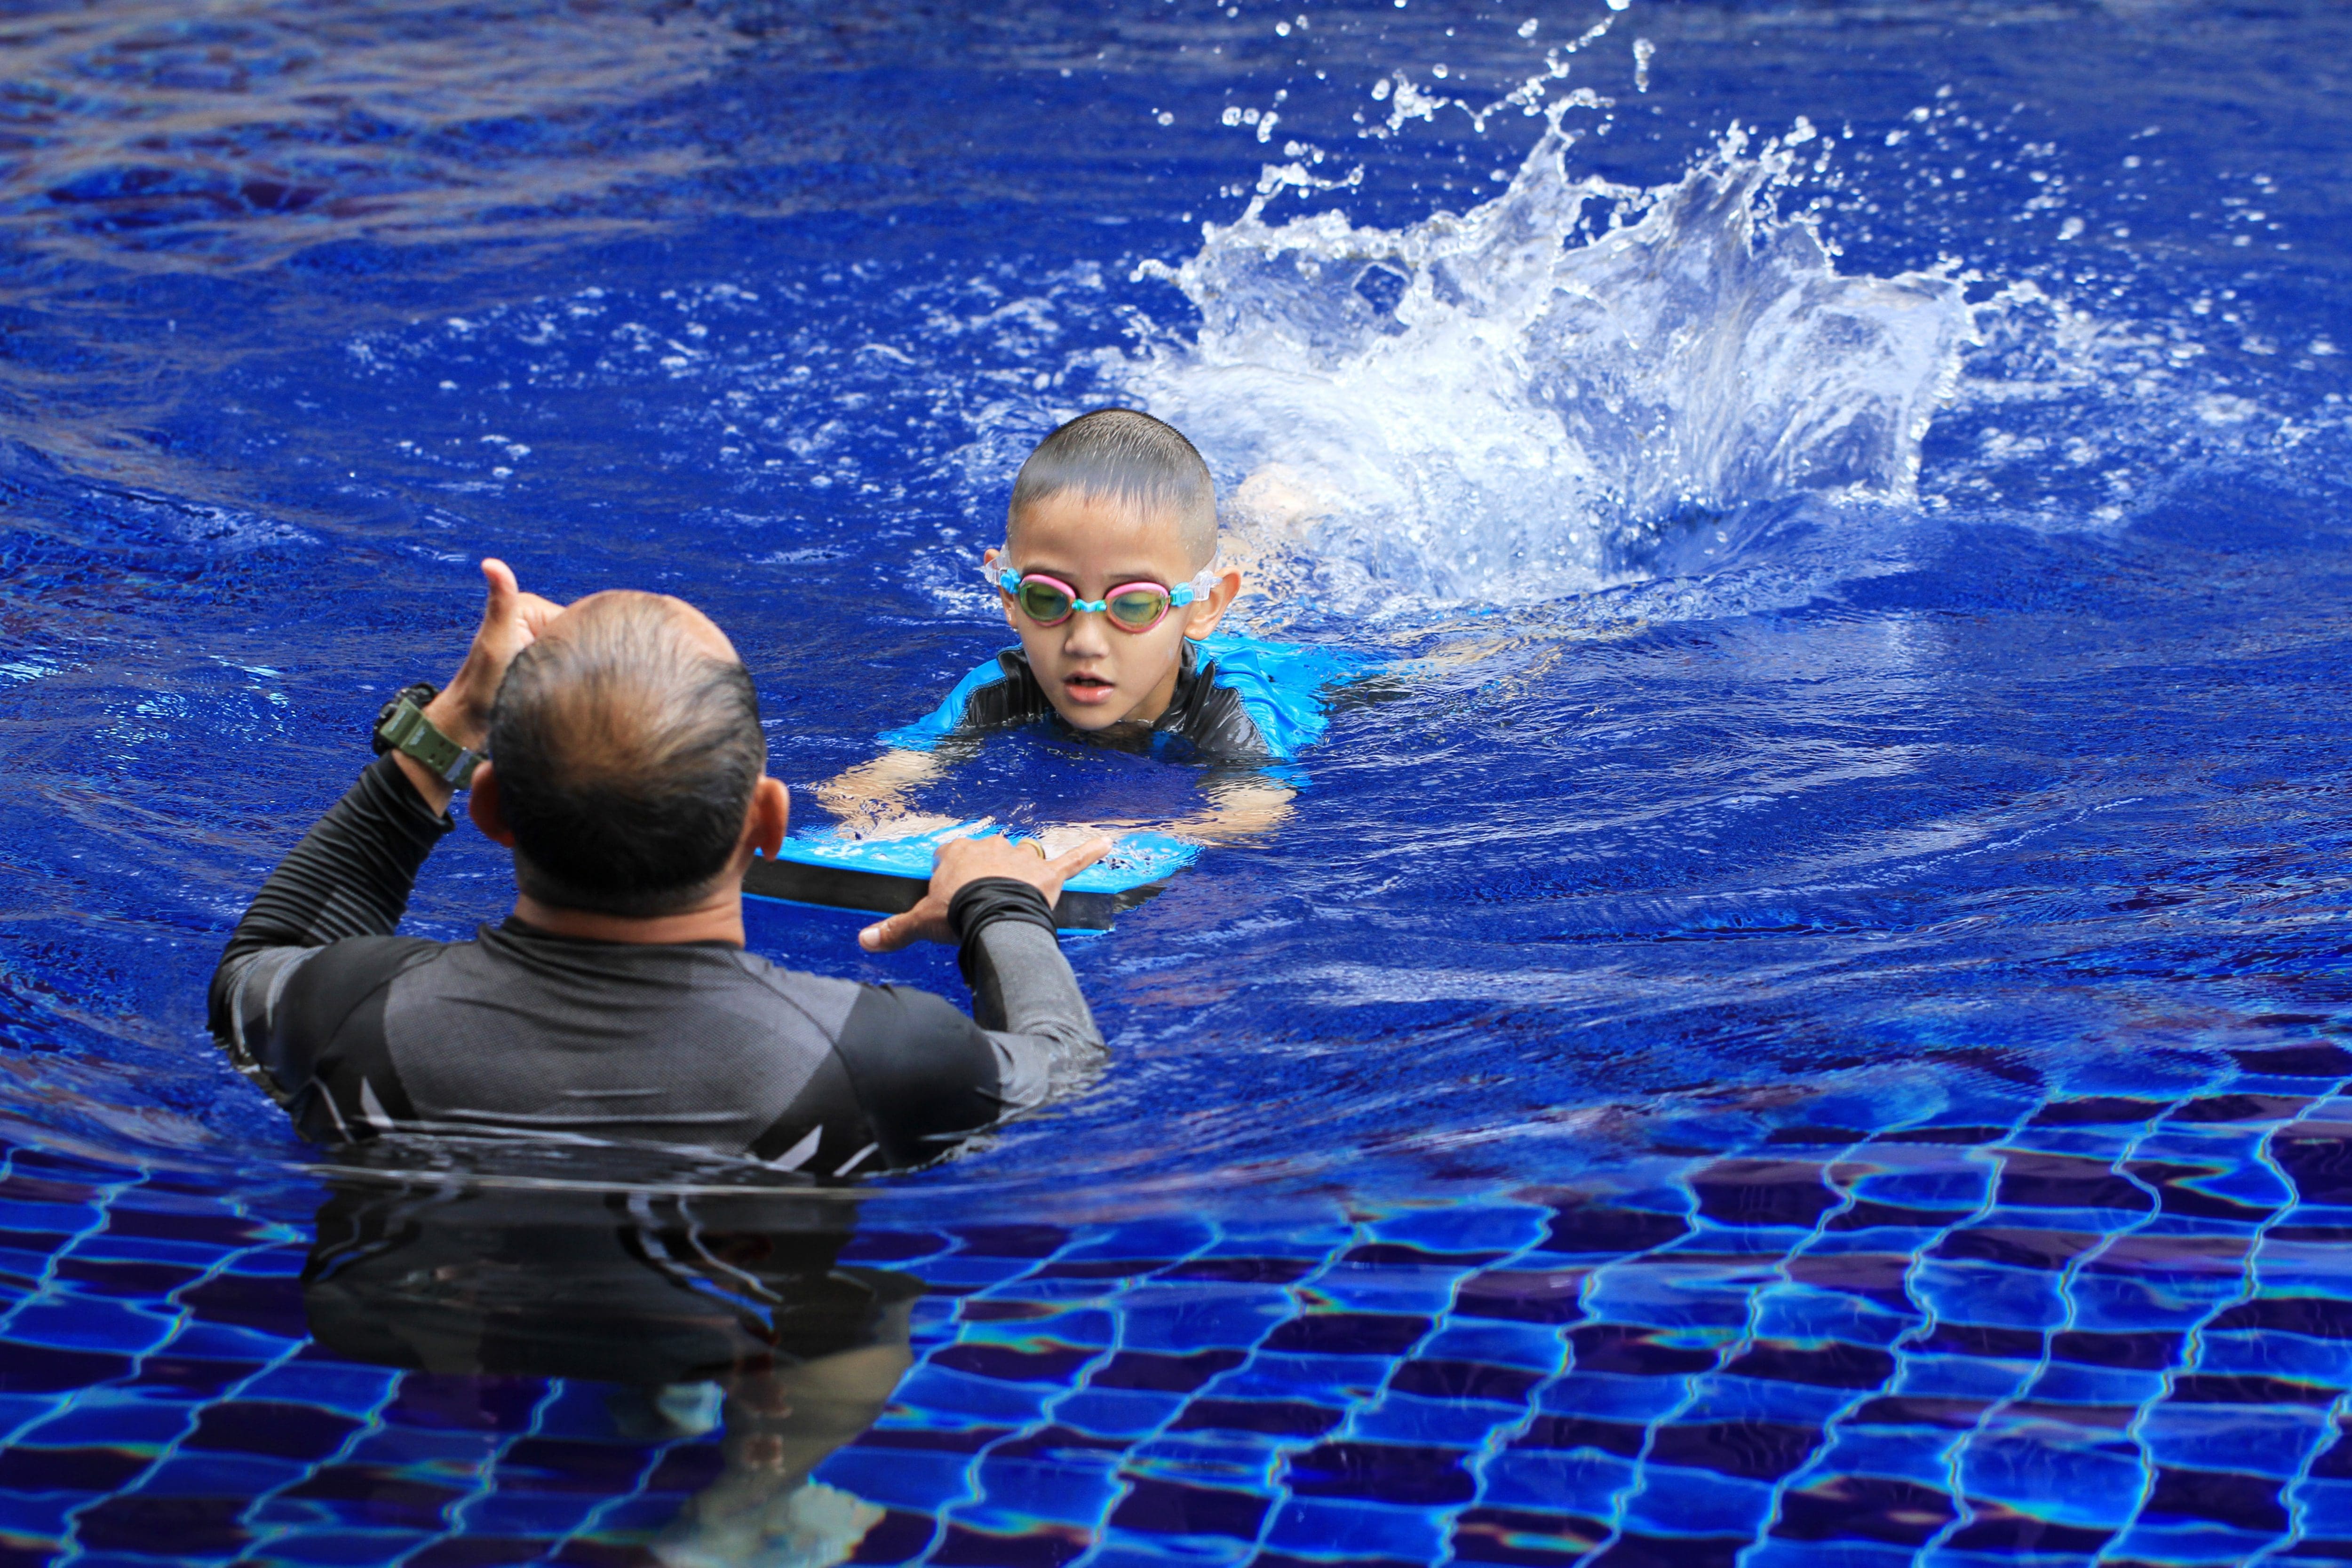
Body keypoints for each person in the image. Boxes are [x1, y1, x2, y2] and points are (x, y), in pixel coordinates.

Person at [208, 559, 1111, 1172]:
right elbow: (1064, 1065)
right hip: (740, 1371)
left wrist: (444, 730)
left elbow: (259, 960)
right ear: (766, 820)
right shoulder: (879, 1056)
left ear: (490, 812)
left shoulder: (352, 1013)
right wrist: (1000, 903)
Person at [818, 407, 1345, 848]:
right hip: (1181, 612)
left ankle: (1271, 517)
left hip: (1277, 657)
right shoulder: (1002, 688)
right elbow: (860, 787)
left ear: (1203, 610)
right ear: (1008, 597)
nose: (1084, 643)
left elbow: (1256, 809)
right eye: (1048, 598)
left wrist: (1103, 842)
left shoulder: (1230, 701)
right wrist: (939, 835)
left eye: (1134, 605)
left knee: (1271, 591)